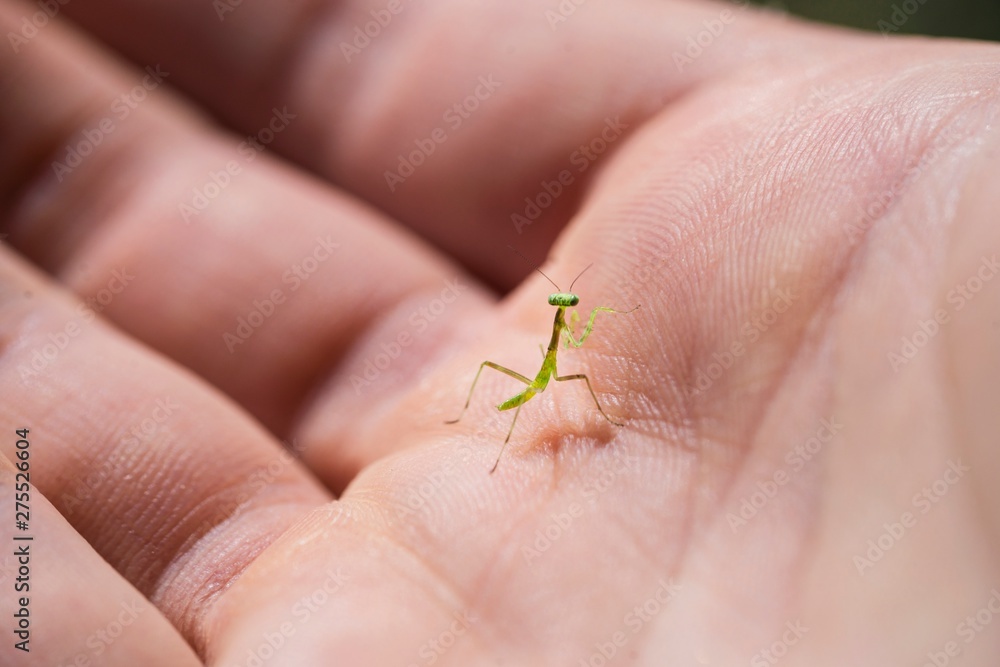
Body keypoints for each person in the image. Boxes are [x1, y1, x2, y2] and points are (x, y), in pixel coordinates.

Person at [1, 0, 999, 664]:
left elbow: (584, 341)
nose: (569, 311)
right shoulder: (555, 359)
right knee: (538, 386)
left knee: (567, 388)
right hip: (531, 401)